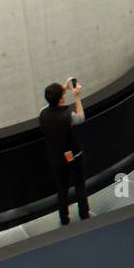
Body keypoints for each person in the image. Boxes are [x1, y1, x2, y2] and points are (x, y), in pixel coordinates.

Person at [39, 79, 90, 226]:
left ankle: (64, 219)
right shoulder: (69, 115)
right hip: (74, 156)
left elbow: (52, 100)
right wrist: (76, 96)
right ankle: (84, 215)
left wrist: (62, 89)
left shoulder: (43, 114)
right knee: (80, 186)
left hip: (56, 159)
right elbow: (81, 117)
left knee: (62, 189)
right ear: (61, 98)